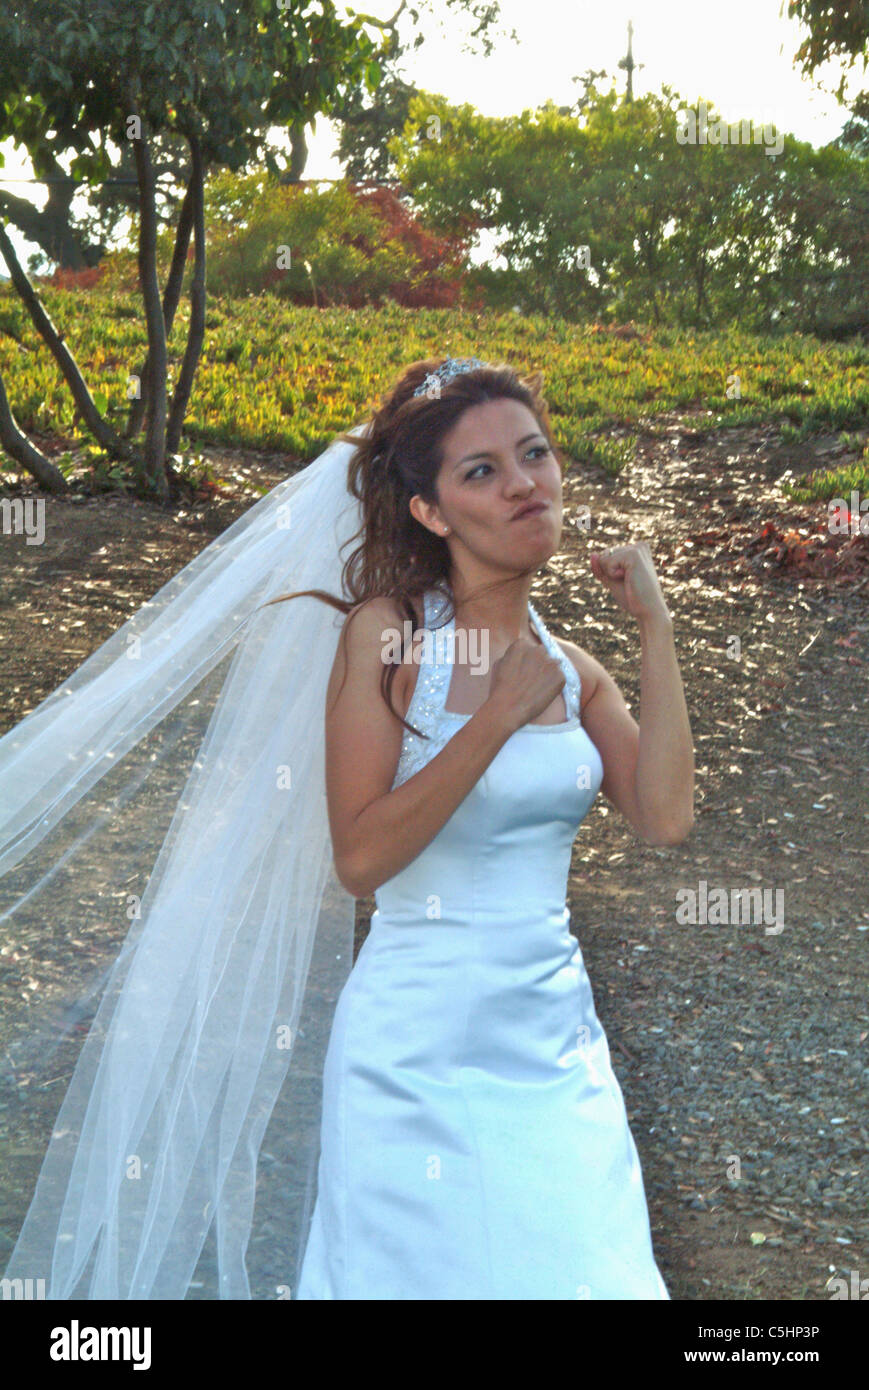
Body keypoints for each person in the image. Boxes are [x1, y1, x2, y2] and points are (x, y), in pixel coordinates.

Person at [0, 355, 693, 1300]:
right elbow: (361, 858)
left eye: (533, 454)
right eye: (480, 470)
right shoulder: (390, 635)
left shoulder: (569, 670)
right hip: (417, 1043)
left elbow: (663, 817)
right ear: (431, 512)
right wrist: (490, 723)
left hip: (554, 1042)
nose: (523, 482)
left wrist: (653, 628)